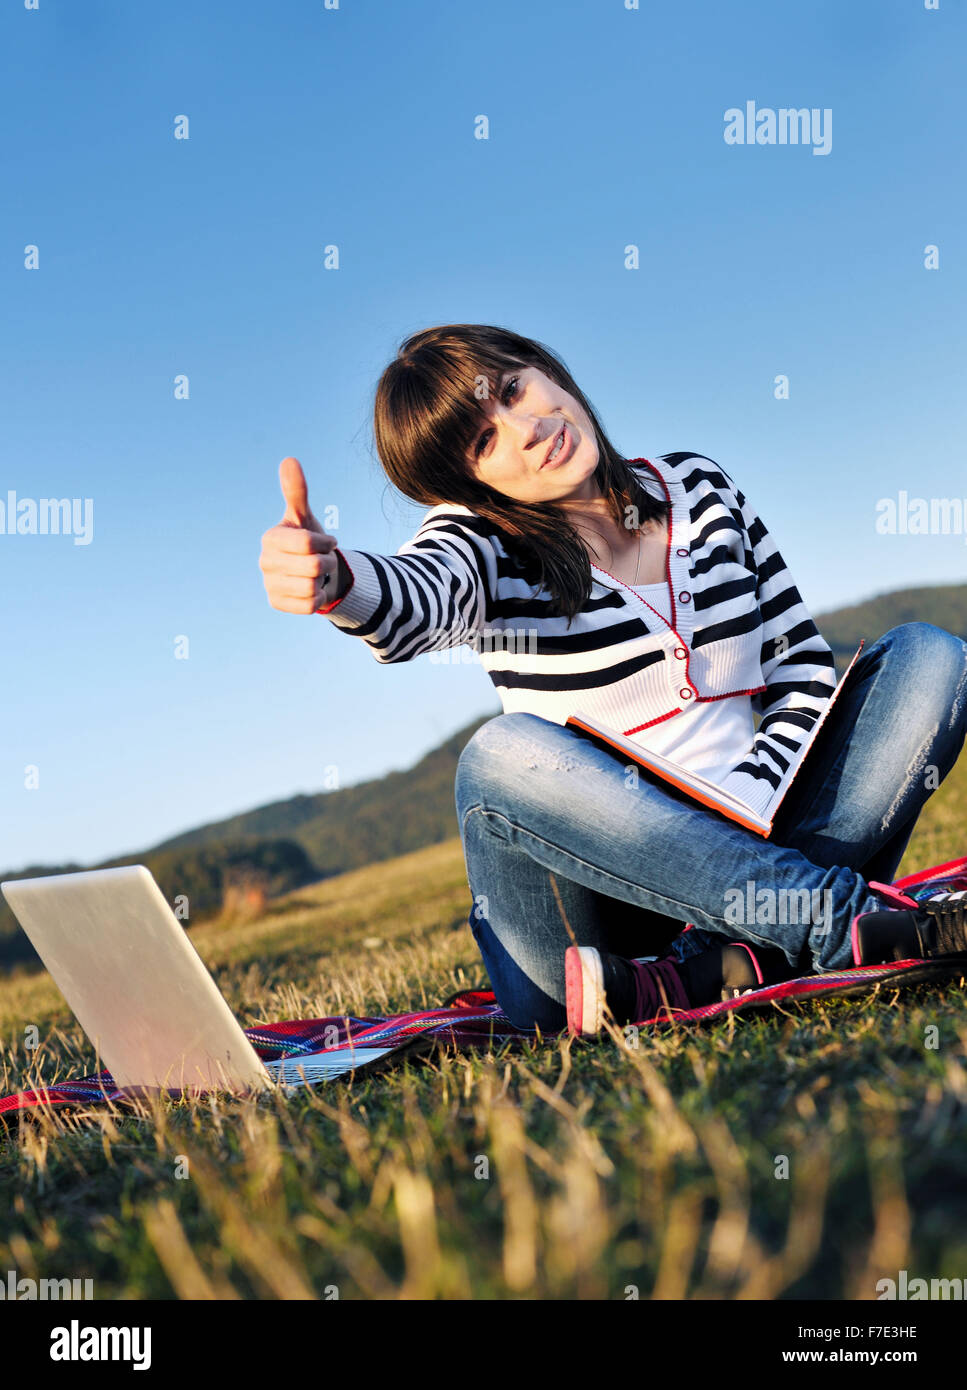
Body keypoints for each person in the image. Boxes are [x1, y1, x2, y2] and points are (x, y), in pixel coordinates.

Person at [258, 323, 967, 1036]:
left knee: (928, 656)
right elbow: (414, 598)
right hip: (588, 926)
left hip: (765, 848)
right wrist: (339, 582)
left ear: (547, 370)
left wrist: (749, 798)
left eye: (513, 390)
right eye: (483, 442)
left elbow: (800, 669)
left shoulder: (700, 488)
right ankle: (844, 925)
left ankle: (712, 967)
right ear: (466, 485)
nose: (526, 429)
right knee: (501, 754)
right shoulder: (480, 544)